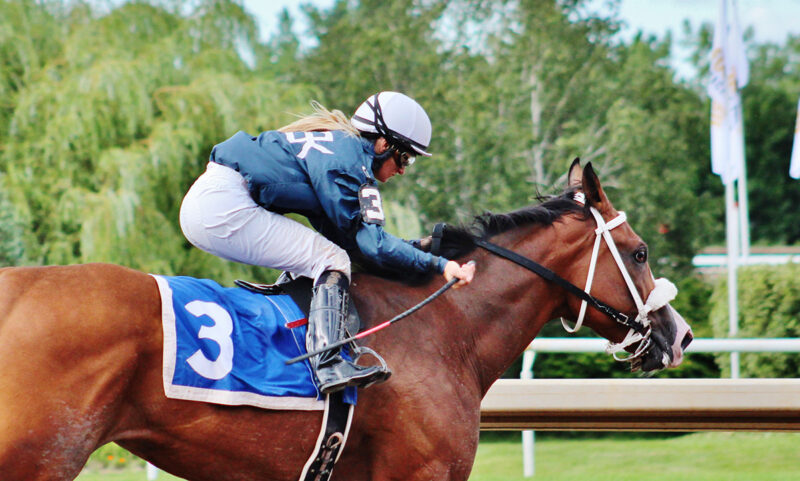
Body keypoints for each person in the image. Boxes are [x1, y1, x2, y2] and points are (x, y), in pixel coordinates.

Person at [179, 91, 475, 394]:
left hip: (210, 202)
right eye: (405, 158)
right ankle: (328, 363)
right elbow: (372, 246)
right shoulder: (350, 163)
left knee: (323, 255)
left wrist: (416, 248)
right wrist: (440, 265)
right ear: (383, 144)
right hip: (223, 206)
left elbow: (355, 241)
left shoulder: (340, 149)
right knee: (332, 260)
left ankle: (289, 331)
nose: (402, 170)